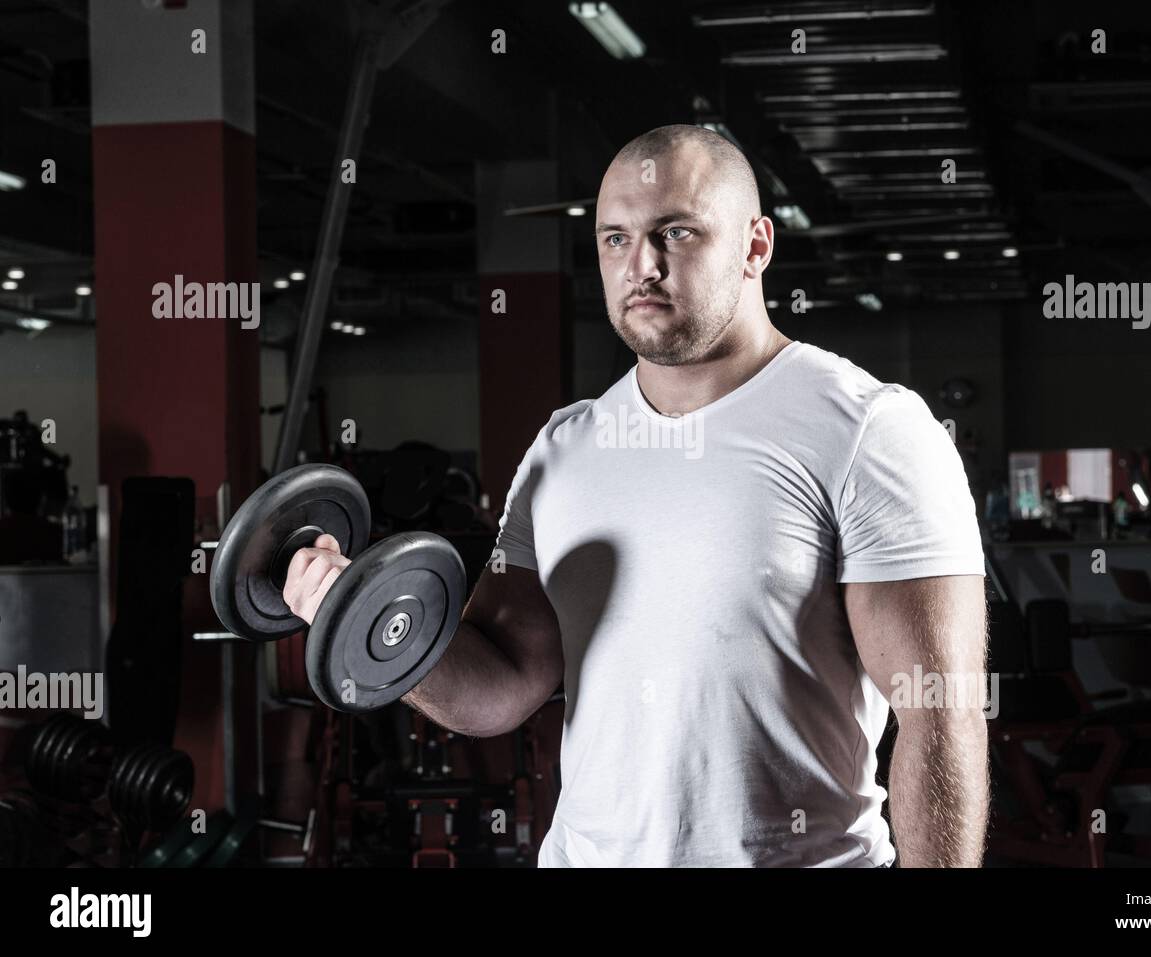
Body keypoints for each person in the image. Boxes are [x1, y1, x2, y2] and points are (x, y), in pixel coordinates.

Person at [281, 125, 988, 868]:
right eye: (614, 238)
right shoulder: (567, 447)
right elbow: (500, 689)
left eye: (674, 232)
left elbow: (941, 717)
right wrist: (364, 616)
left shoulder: (869, 429)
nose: (640, 265)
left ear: (756, 246)